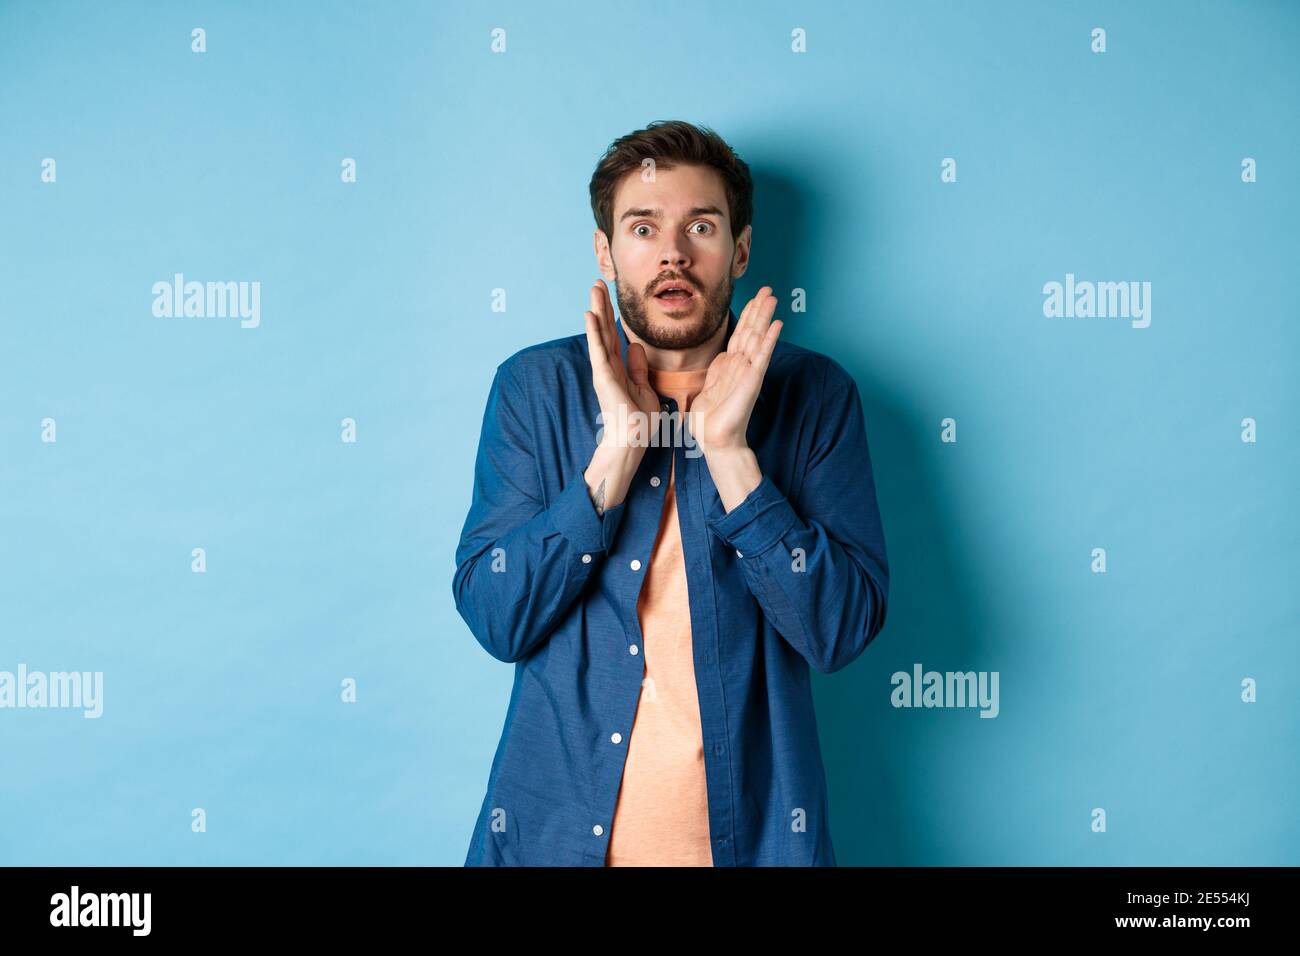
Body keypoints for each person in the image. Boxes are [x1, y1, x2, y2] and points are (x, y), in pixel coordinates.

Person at [453, 120, 889, 866]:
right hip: (551, 845)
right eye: (643, 227)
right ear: (606, 250)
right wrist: (614, 458)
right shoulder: (534, 389)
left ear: (740, 249)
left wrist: (729, 453)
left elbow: (839, 631)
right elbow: (498, 617)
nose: (673, 253)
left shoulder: (816, 396)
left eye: (701, 226)